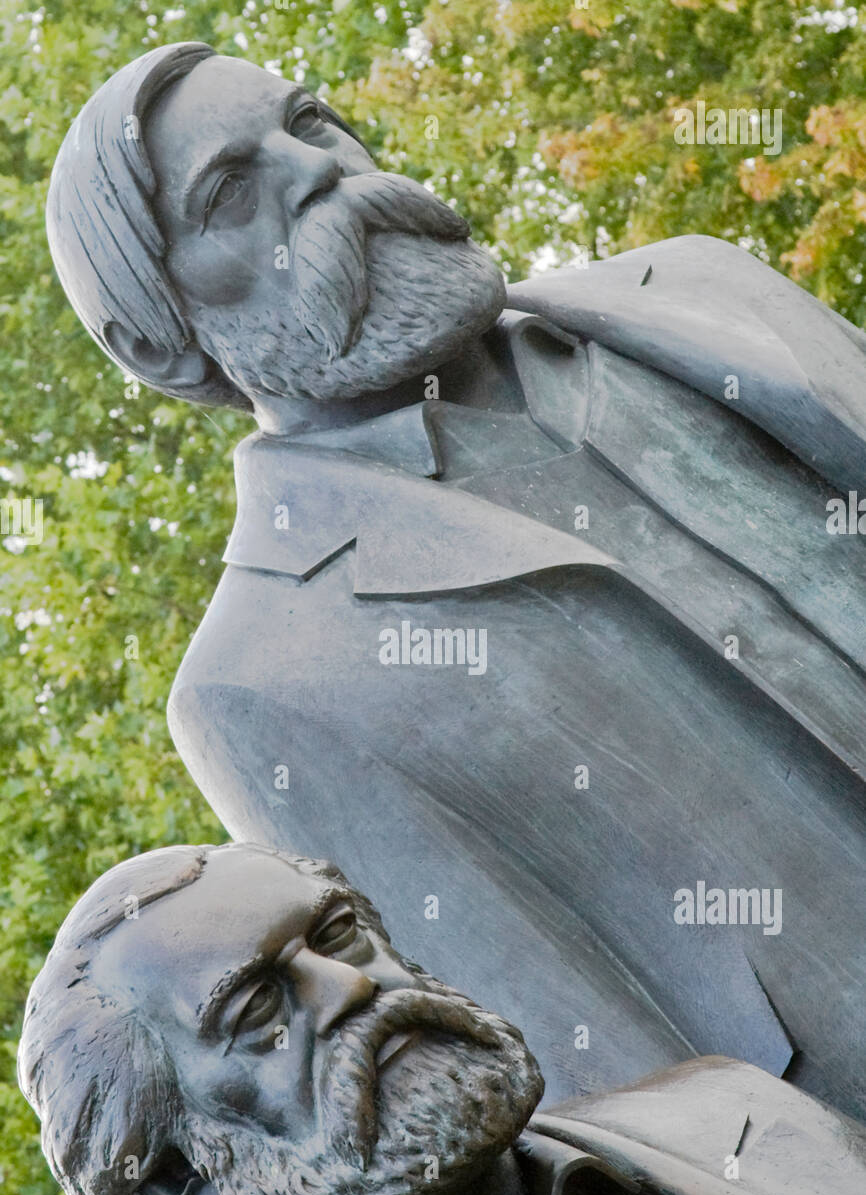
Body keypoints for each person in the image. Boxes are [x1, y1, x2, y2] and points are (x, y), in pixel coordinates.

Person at [46, 43, 866, 1117]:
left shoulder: (696, 293)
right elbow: (591, 1085)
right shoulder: (261, 678)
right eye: (231, 192)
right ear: (160, 347)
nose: (315, 169)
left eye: (309, 121)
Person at [18, 842, 866, 1195]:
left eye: (339, 934)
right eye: (256, 1012)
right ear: (176, 1180)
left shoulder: (732, 1115)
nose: (352, 986)